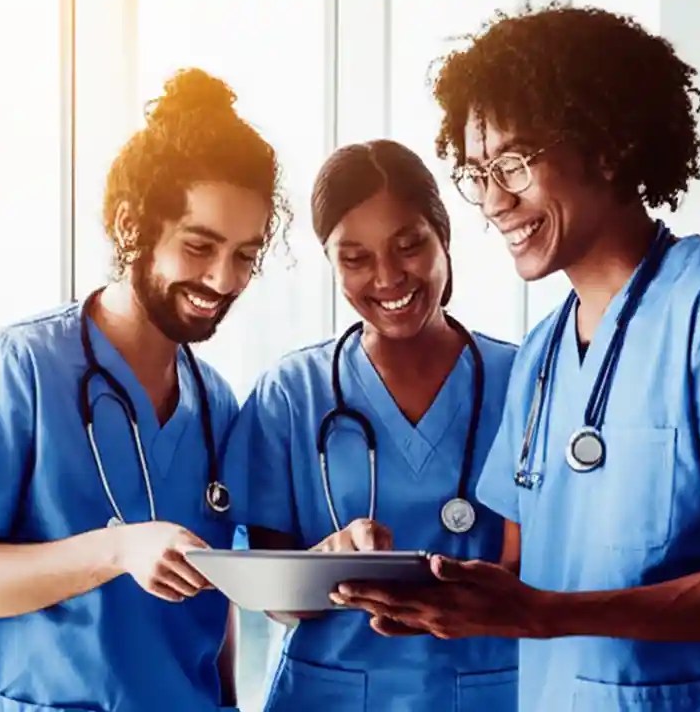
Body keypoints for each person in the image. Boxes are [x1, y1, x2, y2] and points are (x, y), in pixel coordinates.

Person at [331, 5, 700, 711]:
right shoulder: (542, 356)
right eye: (477, 173)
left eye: (512, 164)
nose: (493, 200)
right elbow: (524, 574)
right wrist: (431, 591)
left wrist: (548, 613)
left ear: (606, 146)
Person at [0, 68, 291, 712]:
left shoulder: (216, 405)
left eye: (244, 256)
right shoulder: (21, 368)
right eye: (199, 246)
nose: (223, 279)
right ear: (129, 224)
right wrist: (118, 549)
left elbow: (212, 591)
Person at [221, 139, 519, 710]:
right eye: (355, 259)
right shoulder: (291, 394)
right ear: (331, 264)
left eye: (409, 246)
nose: (388, 277)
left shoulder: (524, 381)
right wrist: (324, 564)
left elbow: (541, 572)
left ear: (444, 238)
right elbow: (272, 599)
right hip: (329, 693)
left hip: (488, 690)